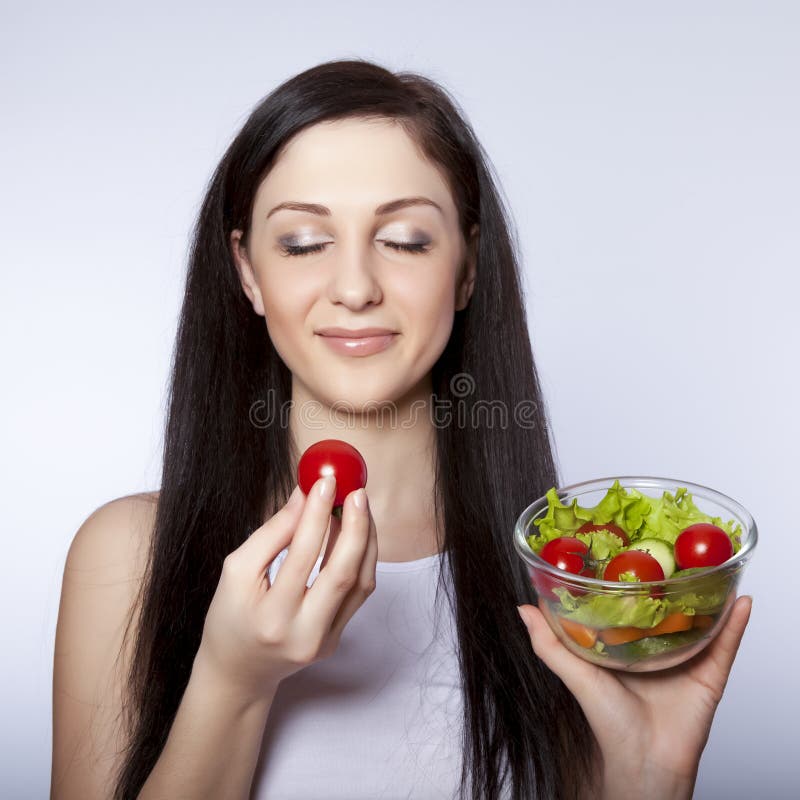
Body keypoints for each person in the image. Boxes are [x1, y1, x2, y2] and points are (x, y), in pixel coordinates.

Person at [51, 59, 752, 800]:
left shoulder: (569, 579)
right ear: (247, 271)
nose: (355, 288)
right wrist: (233, 681)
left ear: (467, 267)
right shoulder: (126, 556)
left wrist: (650, 776)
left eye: (407, 240)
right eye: (302, 242)